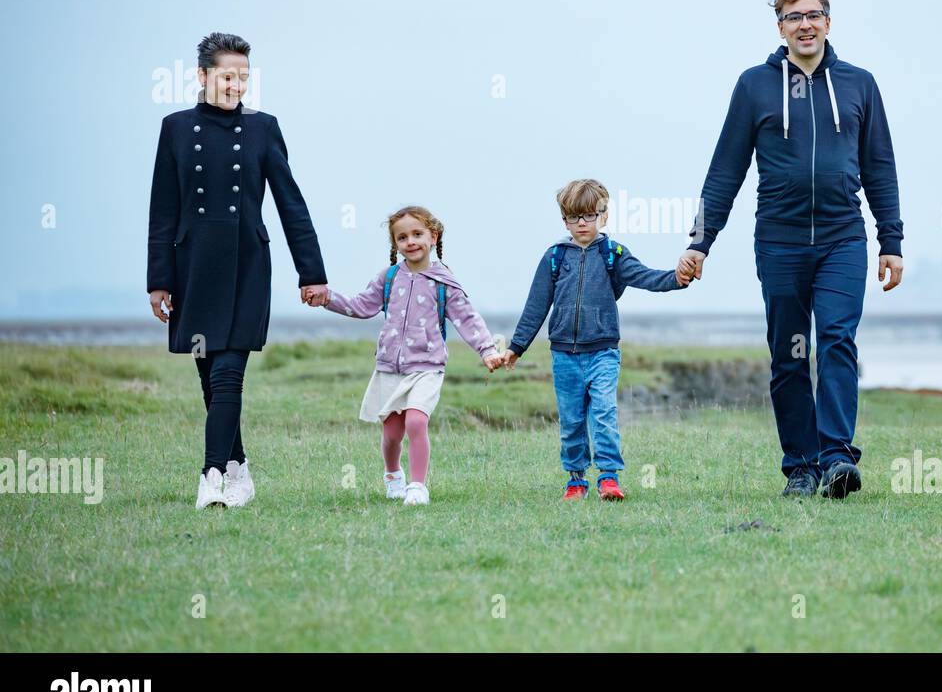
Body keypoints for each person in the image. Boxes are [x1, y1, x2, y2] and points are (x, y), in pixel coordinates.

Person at [676, 0, 905, 499]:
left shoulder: (858, 84)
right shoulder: (754, 85)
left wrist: (890, 240)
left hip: (843, 239)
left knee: (837, 340)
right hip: (779, 243)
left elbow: (880, 168)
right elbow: (725, 171)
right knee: (790, 353)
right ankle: (801, 467)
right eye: (793, 16)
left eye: (813, 14)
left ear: (828, 20)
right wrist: (699, 242)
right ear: (780, 26)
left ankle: (837, 459)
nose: (805, 24)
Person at [147, 32, 329, 509]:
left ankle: (211, 477)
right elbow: (163, 209)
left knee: (228, 375)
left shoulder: (263, 128)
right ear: (203, 76)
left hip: (248, 266)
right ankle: (239, 468)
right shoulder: (175, 127)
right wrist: (159, 279)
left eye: (244, 78)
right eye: (227, 76)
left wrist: (311, 272)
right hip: (193, 269)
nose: (236, 86)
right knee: (211, 380)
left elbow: (292, 204)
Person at [502, 179, 690, 501]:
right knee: (572, 420)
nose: (582, 223)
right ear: (564, 220)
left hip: (603, 351)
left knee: (603, 413)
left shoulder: (613, 254)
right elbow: (536, 306)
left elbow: (644, 276)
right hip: (564, 355)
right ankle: (576, 481)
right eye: (574, 217)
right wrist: (516, 348)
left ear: (604, 216)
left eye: (589, 216)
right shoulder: (554, 257)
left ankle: (608, 477)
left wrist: (676, 278)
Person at [310, 206, 504, 505]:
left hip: (427, 367)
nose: (410, 241)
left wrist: (488, 350)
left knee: (416, 422)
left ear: (433, 236)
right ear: (395, 244)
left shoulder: (444, 282)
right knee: (391, 433)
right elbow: (361, 306)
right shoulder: (388, 278)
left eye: (417, 234)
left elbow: (467, 318)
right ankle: (393, 474)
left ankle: (417, 487)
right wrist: (328, 298)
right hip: (390, 368)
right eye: (402, 237)